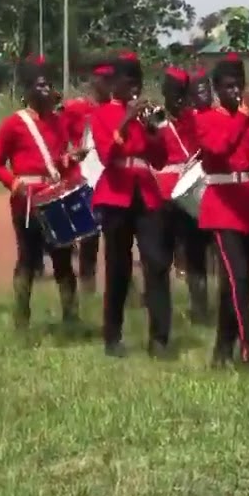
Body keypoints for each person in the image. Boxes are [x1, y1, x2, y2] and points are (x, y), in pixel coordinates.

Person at [0, 56, 84, 327]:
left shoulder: (59, 122)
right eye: (40, 85)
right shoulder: (12, 124)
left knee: (63, 259)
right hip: (26, 201)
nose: (46, 91)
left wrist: (71, 159)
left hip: (56, 197)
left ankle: (71, 316)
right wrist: (15, 184)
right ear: (28, 90)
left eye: (48, 85)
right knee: (27, 259)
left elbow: (59, 161)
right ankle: (21, 317)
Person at [90, 52, 172, 358]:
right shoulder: (101, 114)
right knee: (118, 267)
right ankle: (113, 336)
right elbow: (106, 155)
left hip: (146, 192)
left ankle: (160, 338)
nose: (134, 88)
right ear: (115, 85)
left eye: (137, 82)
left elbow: (160, 160)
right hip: (115, 193)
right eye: (128, 82)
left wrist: (153, 130)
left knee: (157, 263)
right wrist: (126, 120)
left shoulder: (145, 116)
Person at [196, 53, 249, 367]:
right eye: (228, 87)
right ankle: (248, 347)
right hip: (222, 206)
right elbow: (219, 149)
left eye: (238, 85)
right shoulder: (204, 118)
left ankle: (220, 350)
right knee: (238, 278)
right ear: (216, 89)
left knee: (234, 284)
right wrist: (244, 113)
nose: (235, 91)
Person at [152, 66, 211, 325]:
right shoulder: (155, 120)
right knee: (162, 254)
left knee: (196, 253)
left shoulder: (194, 119)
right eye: (174, 94)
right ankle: (161, 308)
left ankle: (200, 309)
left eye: (182, 94)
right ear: (165, 93)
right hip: (164, 195)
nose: (179, 99)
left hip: (190, 193)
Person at [61, 59, 112, 294]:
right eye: (103, 82)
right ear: (94, 83)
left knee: (116, 239)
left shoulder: (118, 108)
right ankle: (88, 286)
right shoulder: (76, 109)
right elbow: (59, 135)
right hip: (87, 177)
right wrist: (69, 154)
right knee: (89, 236)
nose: (107, 87)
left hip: (111, 178)